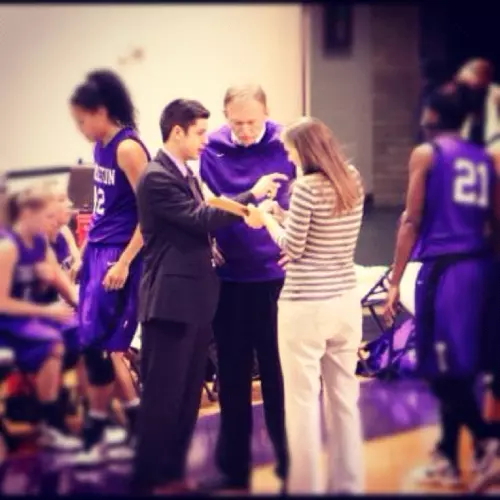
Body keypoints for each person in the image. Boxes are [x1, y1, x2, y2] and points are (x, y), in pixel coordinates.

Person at [132, 98, 286, 495]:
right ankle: (149, 480)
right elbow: (200, 218)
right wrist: (249, 197)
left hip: (196, 299)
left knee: (186, 399)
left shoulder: (184, 172)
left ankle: (172, 476)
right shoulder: (156, 176)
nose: (207, 139)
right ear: (177, 131)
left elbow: (201, 221)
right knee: (163, 400)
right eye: (199, 132)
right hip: (170, 300)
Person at [383, 84, 500, 491]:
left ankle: (487, 438)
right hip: (482, 268)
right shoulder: (485, 157)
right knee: (463, 368)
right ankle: (449, 458)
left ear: (429, 116)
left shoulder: (427, 154)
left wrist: (394, 280)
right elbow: (494, 220)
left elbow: (411, 220)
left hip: (447, 270)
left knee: (438, 370)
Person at [243, 116, 365, 493]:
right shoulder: (351, 178)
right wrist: (284, 215)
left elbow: (292, 248)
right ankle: (349, 485)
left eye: (290, 151)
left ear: (304, 149)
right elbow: (322, 230)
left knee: (301, 404)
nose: (288, 157)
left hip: (306, 306)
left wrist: (265, 219)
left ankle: (304, 488)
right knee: (344, 399)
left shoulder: (307, 187)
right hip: (346, 301)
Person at [198, 84, 293, 493]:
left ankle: (292, 463)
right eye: (236, 122)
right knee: (233, 377)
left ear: (266, 114)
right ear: (225, 117)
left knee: (280, 375)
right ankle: (233, 469)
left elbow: (308, 196)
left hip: (276, 277)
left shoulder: (286, 143)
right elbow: (199, 205)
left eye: (252, 121)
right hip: (230, 281)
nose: (245, 130)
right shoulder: (210, 148)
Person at [69, 69, 150, 463]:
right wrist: (84, 253)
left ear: (100, 111)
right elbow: (101, 211)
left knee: (105, 349)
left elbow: (151, 215)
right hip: (99, 251)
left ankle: (117, 430)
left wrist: (124, 262)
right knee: (93, 348)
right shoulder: (101, 147)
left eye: (82, 119)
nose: (80, 128)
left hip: (121, 256)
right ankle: (106, 428)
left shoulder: (128, 149)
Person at [0, 188, 81, 450]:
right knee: (52, 343)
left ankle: (85, 412)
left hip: (29, 316)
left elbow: (58, 277)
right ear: (26, 214)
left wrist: (81, 307)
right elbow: (2, 303)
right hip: (9, 320)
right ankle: (50, 422)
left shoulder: (39, 242)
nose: (54, 222)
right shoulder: (8, 247)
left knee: (82, 330)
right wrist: (48, 312)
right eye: (48, 216)